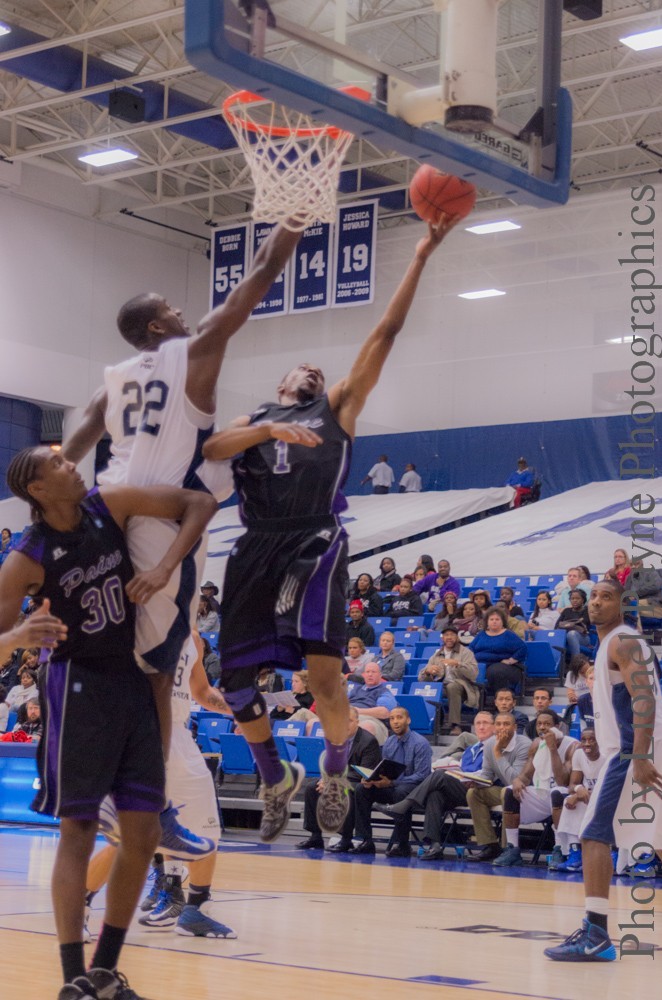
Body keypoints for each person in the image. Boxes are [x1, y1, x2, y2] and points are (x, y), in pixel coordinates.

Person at [202, 219, 455, 844]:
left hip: (316, 540)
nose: (311, 370)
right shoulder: (254, 419)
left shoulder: (335, 408)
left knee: (322, 680)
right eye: (301, 368)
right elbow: (213, 445)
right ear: (282, 386)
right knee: (234, 683)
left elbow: (385, 334)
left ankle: (334, 772)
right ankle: (273, 773)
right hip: (255, 545)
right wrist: (267, 431)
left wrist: (421, 254)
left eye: (318, 368)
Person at [61, 222, 304, 761]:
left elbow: (71, 449)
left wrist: (50, 510)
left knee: (112, 652)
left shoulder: (115, 379)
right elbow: (260, 275)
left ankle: (109, 778)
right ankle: (150, 797)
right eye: (170, 307)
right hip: (160, 522)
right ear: (156, 324)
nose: (181, 312)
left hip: (106, 514)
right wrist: (295, 217)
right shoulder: (195, 354)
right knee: (158, 661)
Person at [0, 445, 216, 1000]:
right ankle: (72, 975)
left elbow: (199, 501)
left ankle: (104, 972)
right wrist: (16, 638)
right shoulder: (27, 554)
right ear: (38, 490)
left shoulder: (107, 504)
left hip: (131, 679)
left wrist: (166, 566)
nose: (73, 465)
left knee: (143, 834)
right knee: (77, 830)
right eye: (59, 465)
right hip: (75, 687)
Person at [545, 579, 662, 962]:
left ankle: (595, 934)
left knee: (593, 833)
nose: (596, 602)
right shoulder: (609, 643)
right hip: (643, 747)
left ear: (623, 604)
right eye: (593, 596)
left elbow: (643, 697)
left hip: (633, 751)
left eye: (606, 596)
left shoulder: (623, 640)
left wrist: (641, 755)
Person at [87, 632, 236, 940]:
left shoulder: (193, 637)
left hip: (180, 737)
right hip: (140, 734)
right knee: (126, 838)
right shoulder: (137, 620)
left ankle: (196, 909)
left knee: (207, 831)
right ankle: (80, 904)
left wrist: (240, 710)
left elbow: (201, 691)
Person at [378, 711, 495, 860]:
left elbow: (489, 774)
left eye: (485, 723)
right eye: (478, 723)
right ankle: (435, 845)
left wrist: (465, 776)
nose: (481, 726)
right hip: (462, 788)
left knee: (439, 775)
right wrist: (457, 771)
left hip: (480, 790)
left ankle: (403, 805)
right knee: (435, 794)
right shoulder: (470, 750)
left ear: (494, 727)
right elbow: (463, 770)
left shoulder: (495, 747)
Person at [493, 711, 579, 867]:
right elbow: (525, 776)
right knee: (510, 791)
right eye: (539, 724)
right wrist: (518, 781)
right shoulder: (536, 744)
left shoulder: (572, 746)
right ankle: (513, 849)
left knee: (556, 792)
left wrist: (553, 750)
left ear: (558, 727)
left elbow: (563, 781)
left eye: (547, 724)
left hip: (567, 797)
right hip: (543, 794)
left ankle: (559, 849)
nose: (542, 728)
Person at [296, 706, 382, 853]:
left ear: (357, 721)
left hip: (359, 783)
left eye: (349, 721)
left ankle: (346, 839)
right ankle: (315, 836)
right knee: (312, 788)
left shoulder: (368, 741)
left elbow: (364, 773)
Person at [350, 706, 433, 856]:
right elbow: (384, 769)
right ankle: (366, 840)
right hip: (391, 786)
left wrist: (392, 783)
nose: (395, 722)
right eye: (392, 718)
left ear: (408, 720)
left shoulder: (421, 743)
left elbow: (422, 775)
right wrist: (373, 779)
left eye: (399, 717)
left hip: (415, 790)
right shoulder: (389, 742)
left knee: (401, 791)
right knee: (362, 789)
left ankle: (403, 844)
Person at [466, 713, 532, 862]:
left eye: (506, 724)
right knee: (473, 793)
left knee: (506, 792)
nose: (502, 727)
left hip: (527, 792)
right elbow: (487, 774)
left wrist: (497, 753)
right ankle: (490, 845)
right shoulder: (490, 744)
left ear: (515, 727)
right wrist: (474, 781)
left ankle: (507, 847)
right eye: (499, 724)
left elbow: (515, 780)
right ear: (494, 727)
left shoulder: (524, 745)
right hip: (506, 792)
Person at [549, 728, 603, 872]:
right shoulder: (579, 754)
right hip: (588, 797)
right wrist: (578, 789)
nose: (587, 743)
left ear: (600, 742)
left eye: (592, 740)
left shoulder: (607, 756)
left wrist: (578, 795)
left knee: (577, 801)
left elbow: (609, 787)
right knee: (569, 804)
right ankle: (575, 854)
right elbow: (572, 785)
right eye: (584, 740)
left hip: (606, 798)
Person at [418, 626, 479, 734]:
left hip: (463, 686)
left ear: (457, 637)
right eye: (446, 635)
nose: (449, 637)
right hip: (442, 686)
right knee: (429, 690)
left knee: (452, 686)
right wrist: (428, 671)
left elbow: (474, 673)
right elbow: (421, 679)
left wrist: (458, 664)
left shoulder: (466, 652)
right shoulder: (437, 655)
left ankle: (455, 725)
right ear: (442, 638)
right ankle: (432, 723)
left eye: (452, 635)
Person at [469, 606, 527, 695]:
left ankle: (498, 699)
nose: (494, 621)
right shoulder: (481, 634)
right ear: (487, 622)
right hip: (480, 665)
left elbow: (522, 648)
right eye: (491, 619)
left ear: (502, 621)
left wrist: (511, 660)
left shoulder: (508, 634)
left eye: (497, 619)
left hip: (503, 667)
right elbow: (471, 649)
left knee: (494, 671)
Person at [554, 587, 591, 661]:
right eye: (572, 598)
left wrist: (566, 625)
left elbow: (583, 624)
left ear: (583, 600)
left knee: (572, 633)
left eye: (577, 598)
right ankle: (556, 664)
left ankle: (576, 663)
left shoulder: (587, 611)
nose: (575, 600)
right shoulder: (566, 611)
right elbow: (556, 626)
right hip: (565, 636)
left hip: (583, 637)